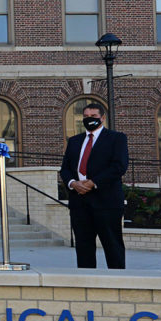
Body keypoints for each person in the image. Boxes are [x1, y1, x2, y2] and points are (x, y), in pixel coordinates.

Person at [59, 101, 129, 269]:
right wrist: (72, 183)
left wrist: (93, 183)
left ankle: (118, 283)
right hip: (80, 203)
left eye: (93, 116)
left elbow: (119, 166)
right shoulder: (75, 141)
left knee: (112, 247)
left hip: (106, 203)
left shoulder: (116, 138)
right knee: (83, 248)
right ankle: (86, 283)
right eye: (86, 116)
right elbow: (65, 168)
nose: (89, 119)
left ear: (102, 118)